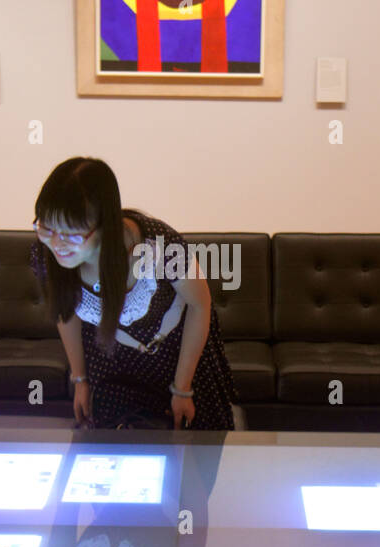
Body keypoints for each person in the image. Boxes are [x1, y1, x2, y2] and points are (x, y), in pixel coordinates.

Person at [29, 157, 238, 430]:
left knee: (195, 452)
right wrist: (80, 379)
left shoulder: (160, 247)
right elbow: (65, 312)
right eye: (47, 227)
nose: (57, 244)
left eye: (72, 234)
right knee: (115, 457)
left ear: (106, 224)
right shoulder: (47, 253)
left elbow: (200, 304)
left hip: (179, 356)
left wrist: (183, 389)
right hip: (113, 362)